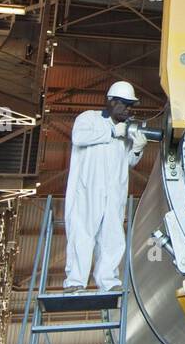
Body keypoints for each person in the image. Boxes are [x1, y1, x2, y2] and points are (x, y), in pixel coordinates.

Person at [63, 80, 148, 293]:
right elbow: (78, 138)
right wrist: (111, 133)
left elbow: (129, 162)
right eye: (124, 104)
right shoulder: (88, 118)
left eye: (130, 106)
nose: (128, 109)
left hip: (115, 191)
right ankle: (75, 282)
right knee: (82, 232)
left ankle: (108, 282)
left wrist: (137, 149)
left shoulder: (126, 130)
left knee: (113, 236)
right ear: (110, 101)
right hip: (87, 190)